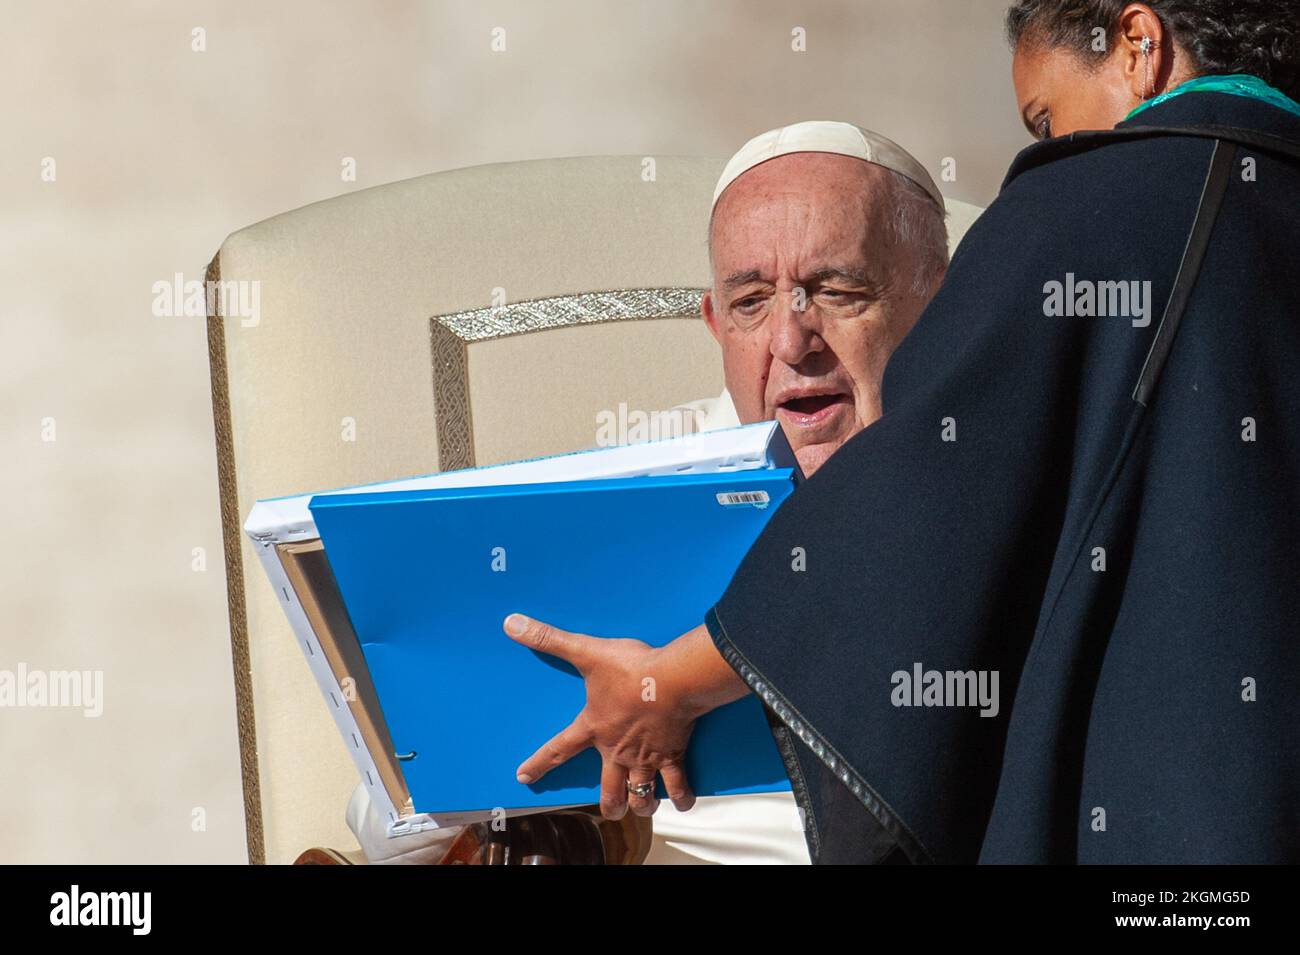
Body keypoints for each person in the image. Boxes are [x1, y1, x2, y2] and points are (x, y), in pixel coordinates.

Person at [508, 0, 1300, 863]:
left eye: (1045, 117)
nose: (791, 340)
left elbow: (930, 502)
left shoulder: (1084, 203)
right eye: (749, 301)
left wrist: (671, 682)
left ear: (1140, 46)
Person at [346, 122, 966, 864]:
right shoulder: (627, 491)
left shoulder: (1014, 469)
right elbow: (385, 818)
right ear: (714, 324)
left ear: (941, 300)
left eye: (835, 291)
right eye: (750, 303)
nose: (792, 341)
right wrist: (515, 772)